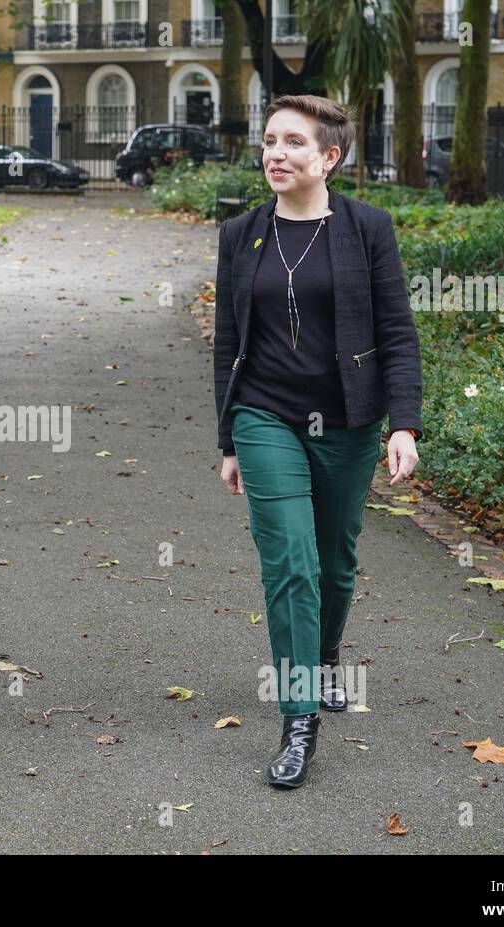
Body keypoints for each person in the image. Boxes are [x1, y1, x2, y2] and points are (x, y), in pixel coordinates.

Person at [213, 94, 424, 789]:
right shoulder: (241, 234)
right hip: (265, 416)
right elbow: (226, 347)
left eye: (294, 143)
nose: (276, 153)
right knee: (292, 565)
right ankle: (299, 717)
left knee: (334, 563)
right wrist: (230, 439)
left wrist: (403, 424)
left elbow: (396, 333)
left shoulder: (368, 230)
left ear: (329, 157)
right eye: (270, 140)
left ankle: (326, 654)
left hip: (347, 422)